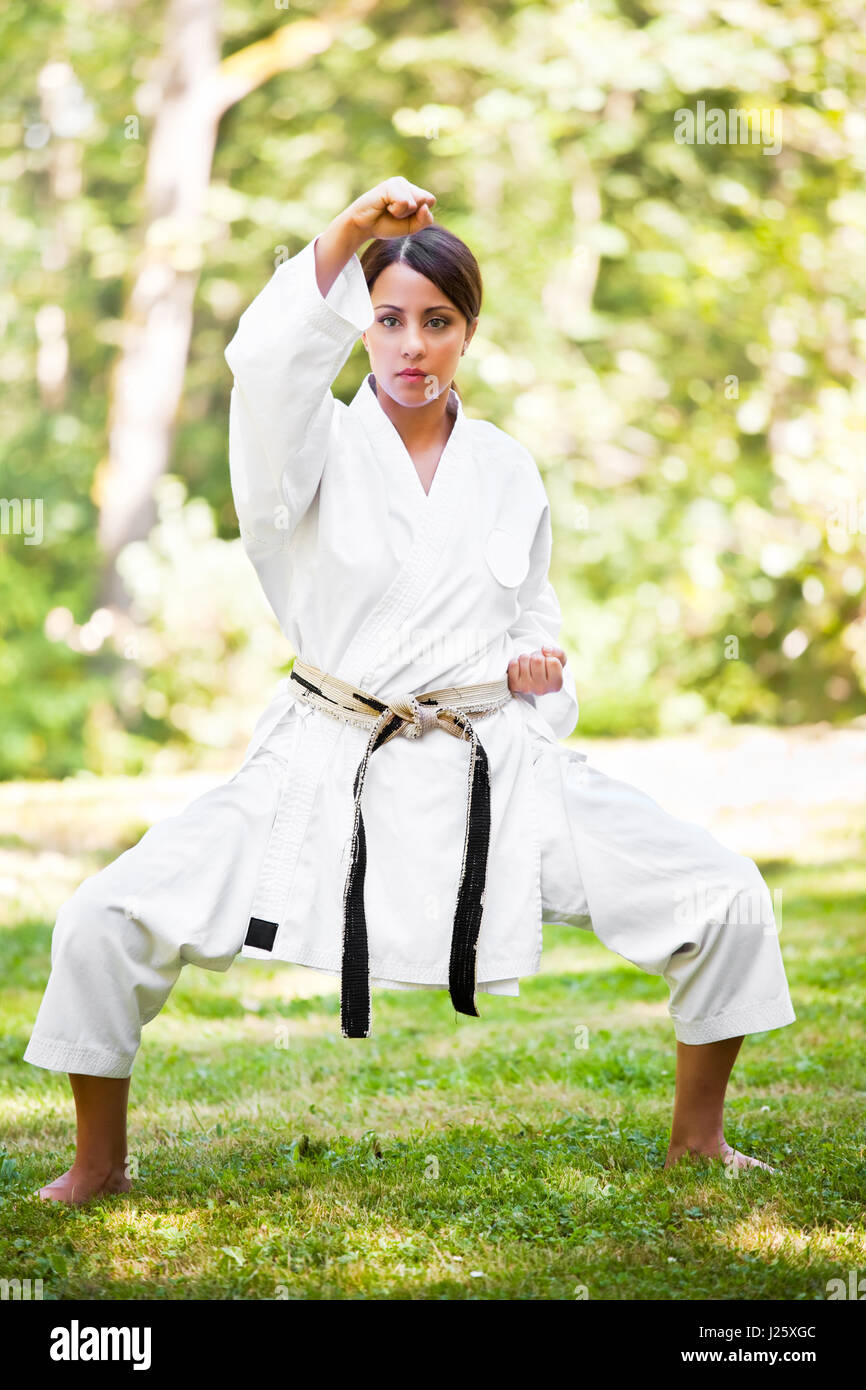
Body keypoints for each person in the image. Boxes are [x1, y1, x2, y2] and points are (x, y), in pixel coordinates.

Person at [24, 177, 796, 1203]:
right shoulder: (303, 453)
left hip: (493, 765)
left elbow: (535, 621)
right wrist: (349, 230)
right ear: (358, 327)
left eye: (436, 322)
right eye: (386, 320)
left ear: (467, 332)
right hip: (325, 760)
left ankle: (698, 1140)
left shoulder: (507, 469)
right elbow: (263, 364)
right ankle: (98, 1162)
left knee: (724, 895)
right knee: (99, 918)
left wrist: (540, 672)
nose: (411, 345)